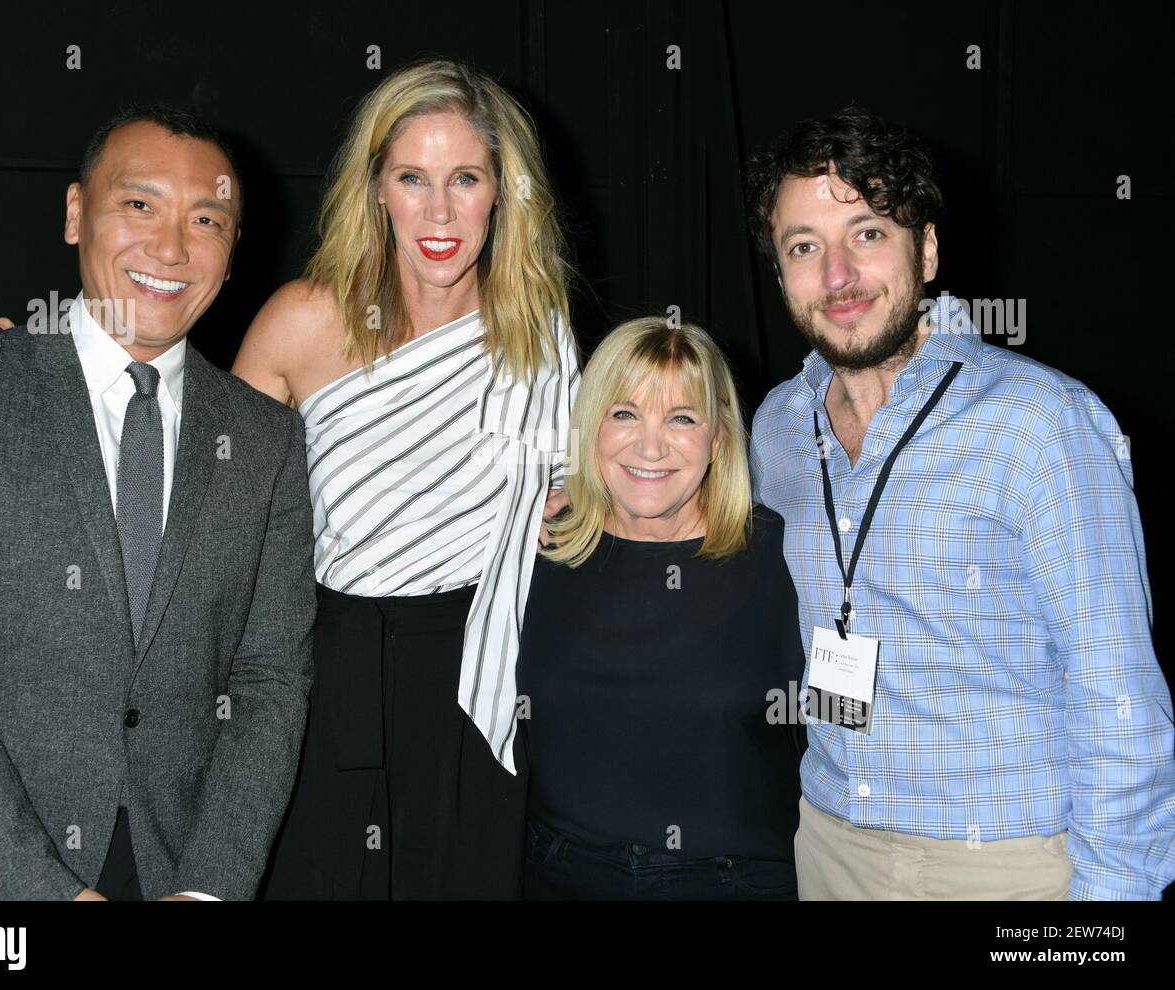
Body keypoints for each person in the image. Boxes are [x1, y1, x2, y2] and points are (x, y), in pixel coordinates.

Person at [0, 106, 315, 900]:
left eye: (206, 219)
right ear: (77, 213)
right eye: (139, 205)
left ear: (233, 247)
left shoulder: (268, 441)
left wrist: (211, 885)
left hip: (174, 873)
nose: (171, 248)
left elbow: (270, 682)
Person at [745, 106, 1175, 899]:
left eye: (868, 233)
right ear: (781, 273)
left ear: (929, 249)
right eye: (804, 247)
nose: (837, 275)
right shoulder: (774, 428)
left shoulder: (1042, 422)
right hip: (828, 845)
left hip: (1005, 868)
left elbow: (1119, 695)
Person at [233, 59, 580, 899]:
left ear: (504, 193)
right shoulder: (300, 320)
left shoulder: (541, 335)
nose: (438, 211)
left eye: (465, 178)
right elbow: (204, 502)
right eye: (412, 178)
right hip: (324, 673)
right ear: (376, 188)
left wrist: (573, 511)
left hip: (483, 673)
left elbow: (577, 499)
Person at [516, 317, 805, 900]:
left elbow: (846, 723)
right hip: (557, 877)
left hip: (734, 884)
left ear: (718, 438)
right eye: (624, 414)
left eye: (681, 418)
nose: (650, 446)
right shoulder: (537, 549)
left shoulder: (782, 557)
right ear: (590, 428)